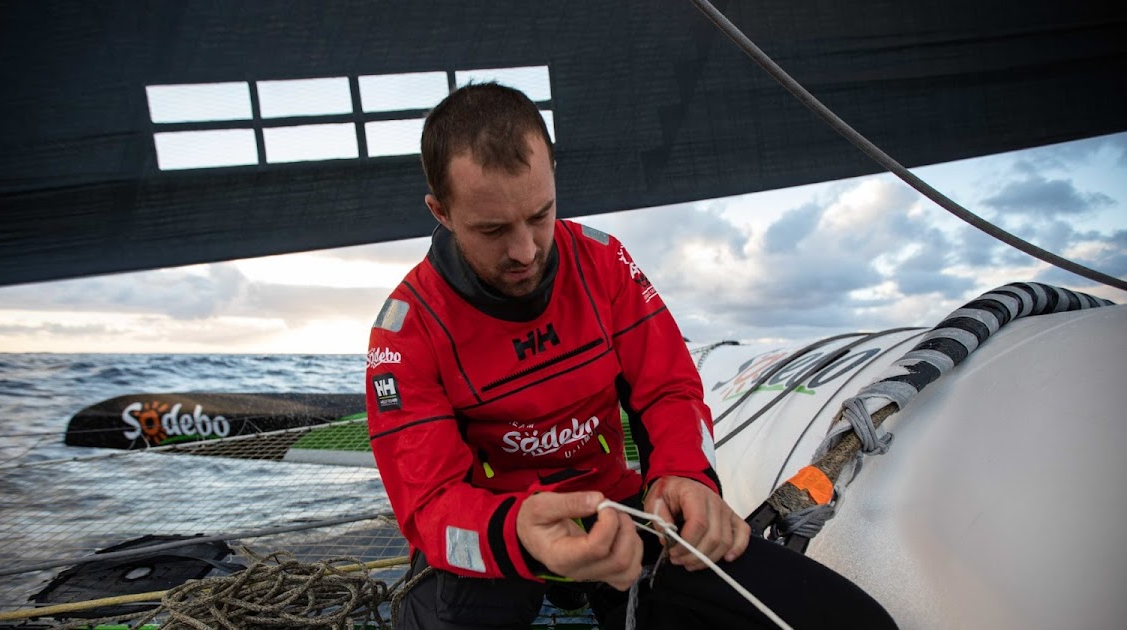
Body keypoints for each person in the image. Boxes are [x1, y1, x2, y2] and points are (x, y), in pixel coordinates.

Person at [364, 82, 896, 629]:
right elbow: (429, 507)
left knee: (853, 621)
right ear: (441, 211)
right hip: (496, 534)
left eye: (541, 214)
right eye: (492, 230)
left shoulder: (605, 264)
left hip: (616, 514)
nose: (524, 251)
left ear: (553, 172)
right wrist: (521, 533)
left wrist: (685, 476)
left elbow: (670, 389)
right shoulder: (405, 332)